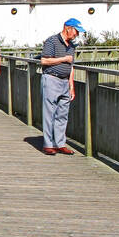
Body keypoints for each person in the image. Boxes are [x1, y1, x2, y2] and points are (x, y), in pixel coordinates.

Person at [39, 18, 84, 155]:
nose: (77, 35)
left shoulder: (71, 46)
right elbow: (44, 60)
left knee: (62, 114)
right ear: (67, 28)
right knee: (49, 114)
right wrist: (63, 59)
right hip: (51, 79)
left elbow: (71, 67)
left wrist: (72, 86)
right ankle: (48, 144)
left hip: (65, 82)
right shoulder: (51, 41)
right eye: (76, 31)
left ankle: (59, 143)